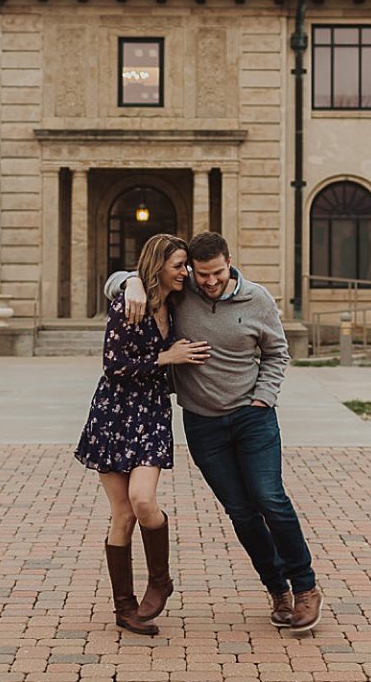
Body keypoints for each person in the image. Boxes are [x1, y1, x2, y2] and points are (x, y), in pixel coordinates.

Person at [107, 231, 323, 631]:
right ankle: (278, 591)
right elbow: (125, 278)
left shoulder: (257, 299)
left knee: (269, 499)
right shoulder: (181, 290)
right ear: (191, 270)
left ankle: (306, 588)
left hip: (252, 417)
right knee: (241, 513)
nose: (209, 281)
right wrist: (131, 281)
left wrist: (265, 396)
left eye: (217, 273)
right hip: (203, 424)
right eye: (201, 274)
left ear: (229, 262)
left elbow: (277, 352)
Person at [76, 233, 211, 636]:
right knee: (122, 514)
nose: (185, 272)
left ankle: (160, 579)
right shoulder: (128, 303)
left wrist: (132, 278)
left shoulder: (178, 303)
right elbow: (113, 364)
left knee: (142, 500)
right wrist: (164, 357)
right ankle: (125, 608)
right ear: (158, 267)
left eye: (186, 265)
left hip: (151, 413)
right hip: (113, 413)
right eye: (178, 265)